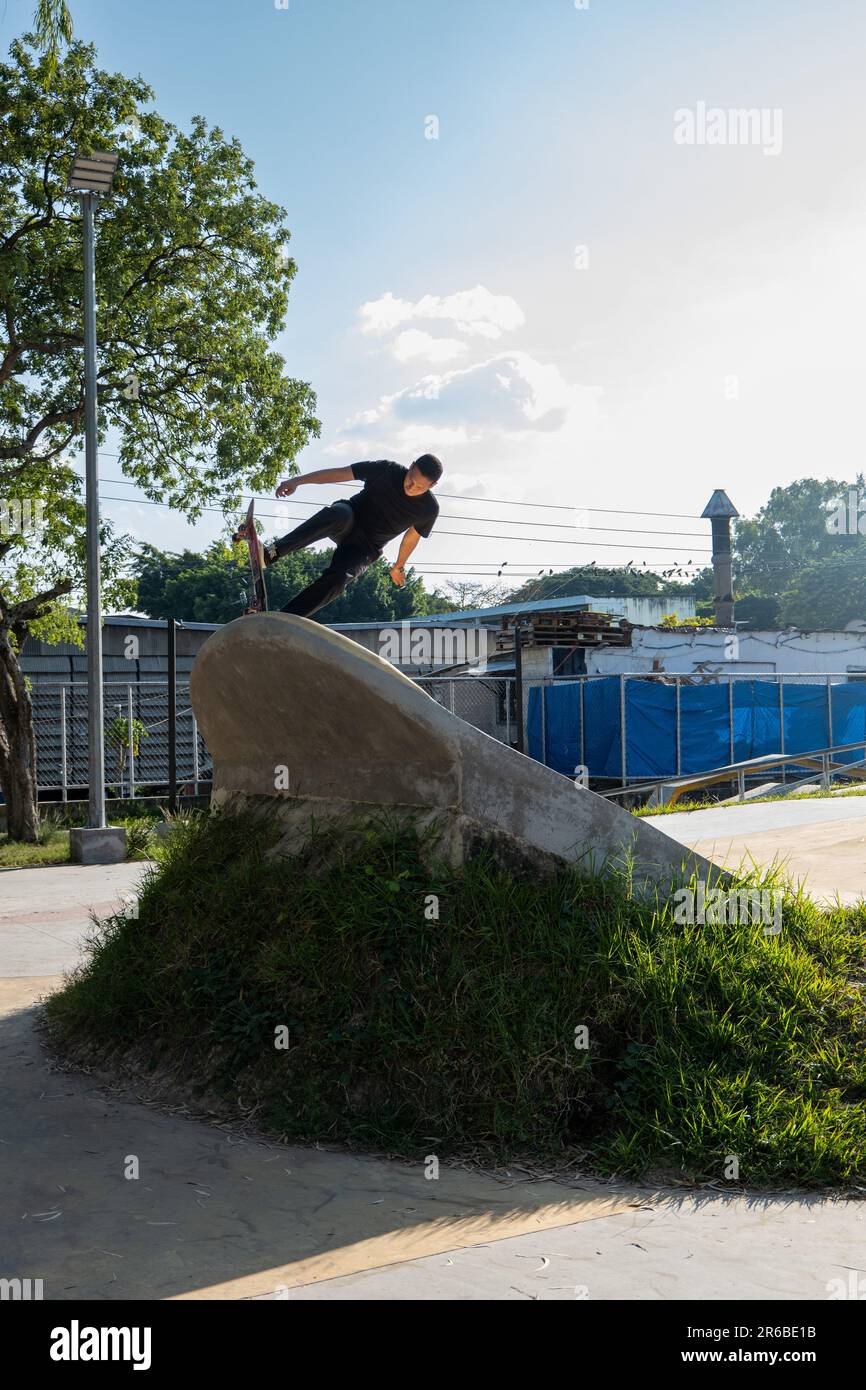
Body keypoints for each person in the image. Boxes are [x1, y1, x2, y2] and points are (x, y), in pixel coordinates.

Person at [239, 454, 442, 618]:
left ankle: (286, 617)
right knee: (338, 514)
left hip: (365, 548)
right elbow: (340, 473)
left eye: (419, 487)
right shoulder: (387, 469)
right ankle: (270, 554)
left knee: (339, 580)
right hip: (349, 518)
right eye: (410, 480)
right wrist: (297, 481)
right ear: (411, 466)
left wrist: (398, 566)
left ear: (431, 486)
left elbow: (411, 537)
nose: (411, 488)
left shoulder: (429, 509)